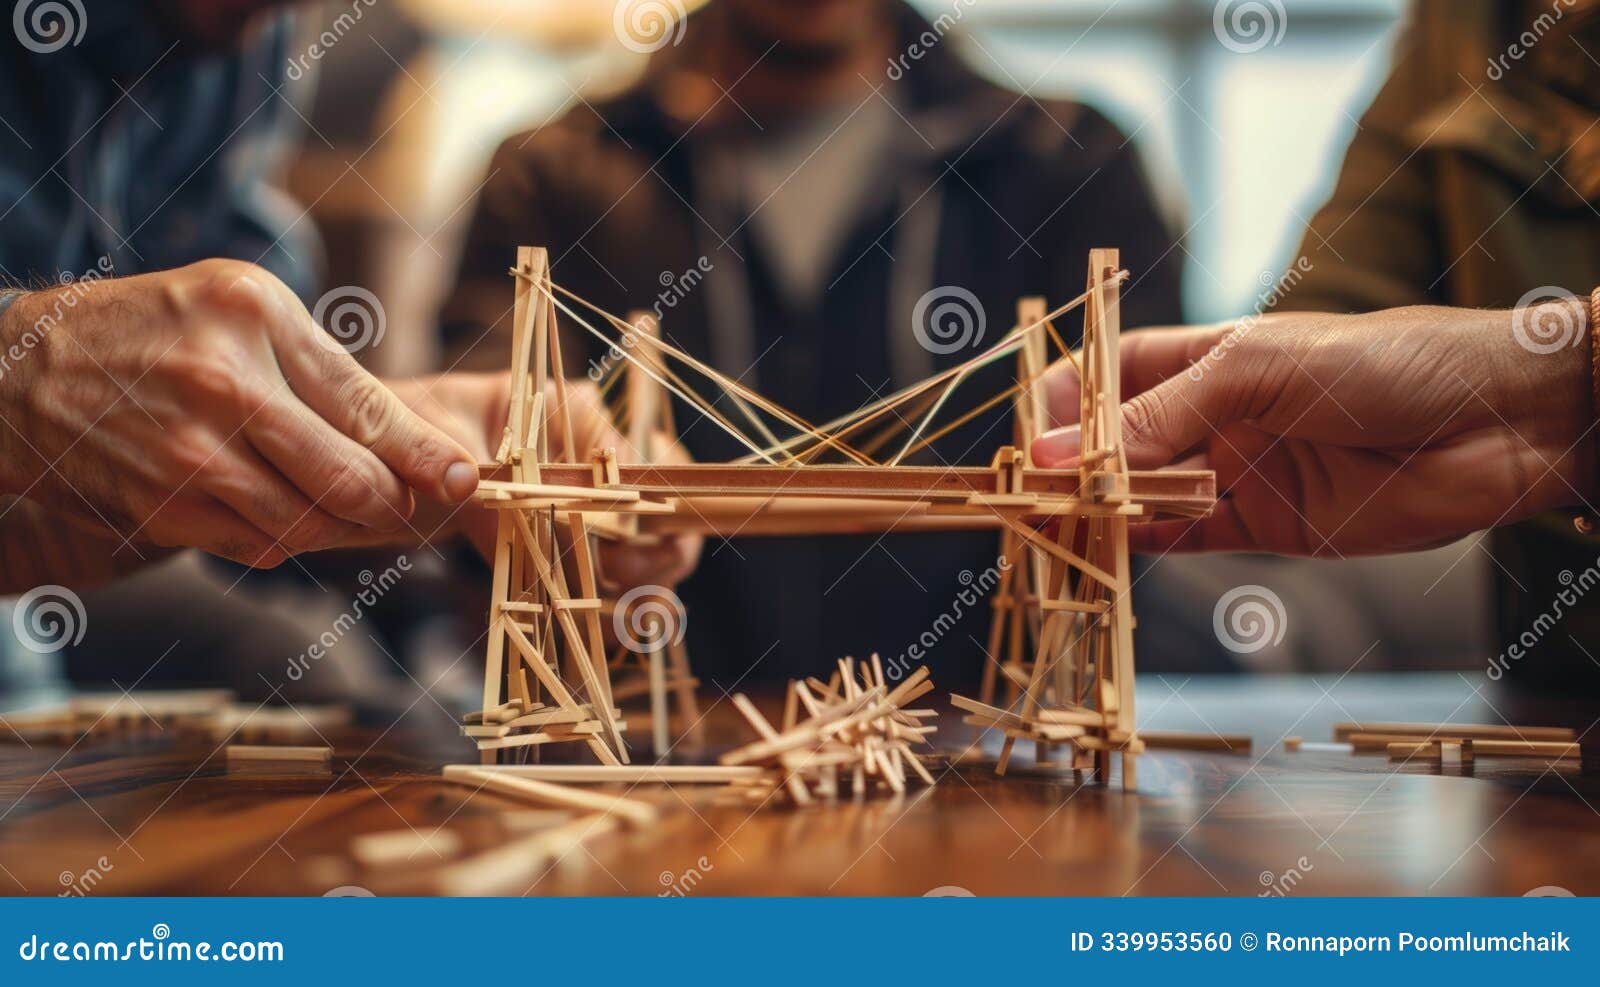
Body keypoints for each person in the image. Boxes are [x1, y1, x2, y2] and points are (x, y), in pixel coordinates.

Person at [439, 0, 1184, 689]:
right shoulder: (551, 173)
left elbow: (1144, 492)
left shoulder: (1073, 161)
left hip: (985, 748)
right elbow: (480, 454)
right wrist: (556, 531)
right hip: (657, 747)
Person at [1038, 0, 1600, 689]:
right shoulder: (1467, 24)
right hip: (1554, 691)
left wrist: (1566, 380)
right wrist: (1250, 389)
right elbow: (1337, 307)